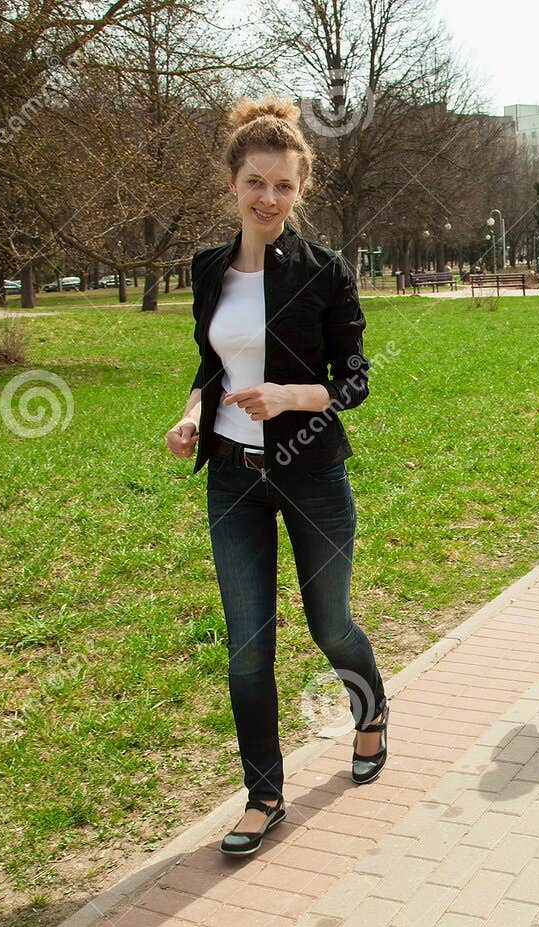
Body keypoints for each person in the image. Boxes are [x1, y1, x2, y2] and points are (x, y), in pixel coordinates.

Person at [165, 97, 389, 857]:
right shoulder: (206, 270)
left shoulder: (325, 273)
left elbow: (354, 380)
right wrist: (194, 413)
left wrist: (292, 396)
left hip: (313, 474)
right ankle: (264, 794)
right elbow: (213, 365)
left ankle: (371, 712)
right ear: (232, 182)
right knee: (247, 645)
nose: (268, 198)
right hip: (231, 477)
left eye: (283, 186)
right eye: (256, 182)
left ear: (301, 191)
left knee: (331, 628)